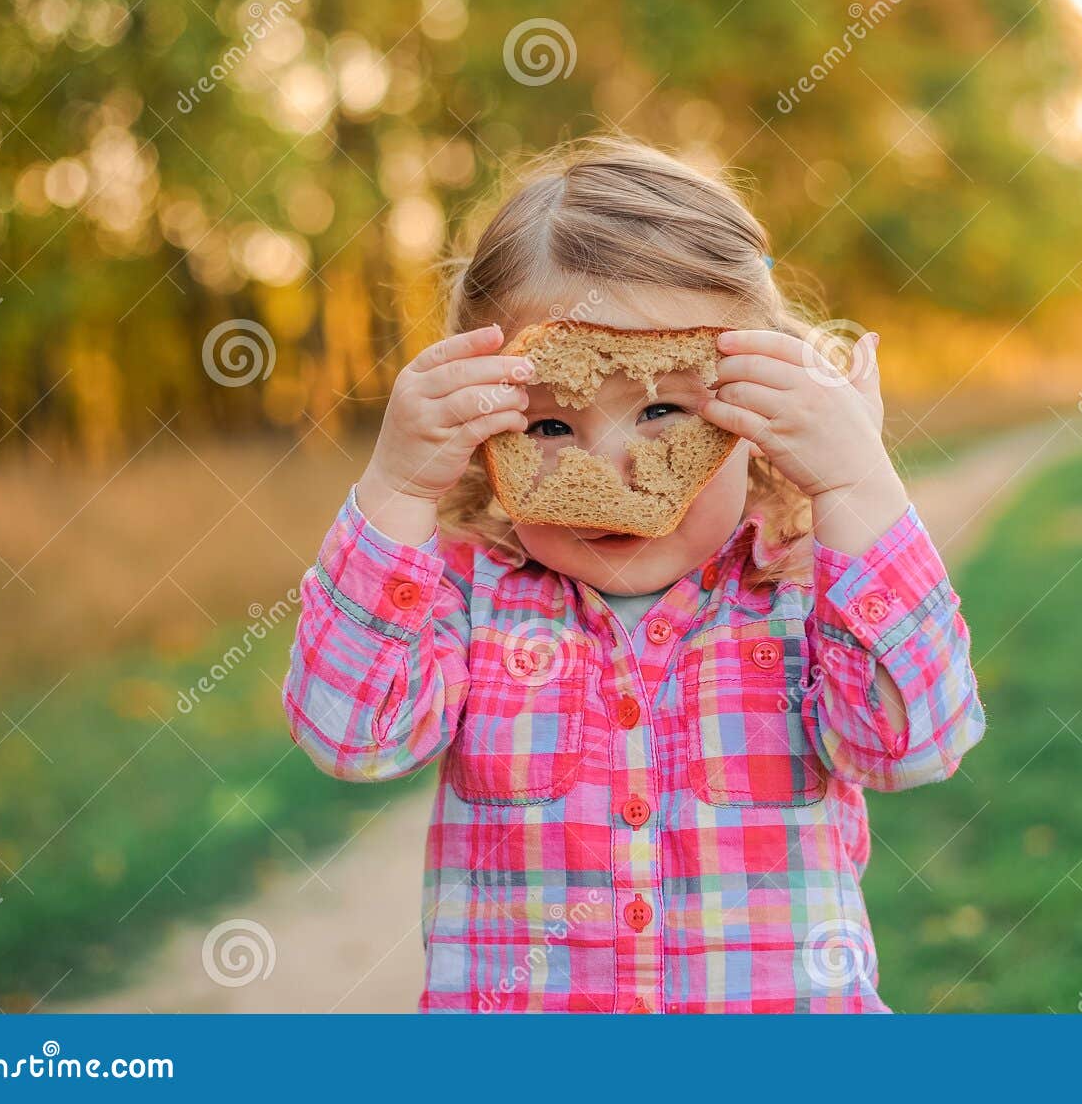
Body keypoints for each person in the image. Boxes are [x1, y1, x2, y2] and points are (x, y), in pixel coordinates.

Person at [282, 136, 986, 1012]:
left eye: (661, 409)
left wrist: (856, 485)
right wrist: (396, 486)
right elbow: (349, 735)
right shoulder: (466, 598)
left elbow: (914, 743)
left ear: (757, 407)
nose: (609, 476)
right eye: (547, 428)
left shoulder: (807, 594)